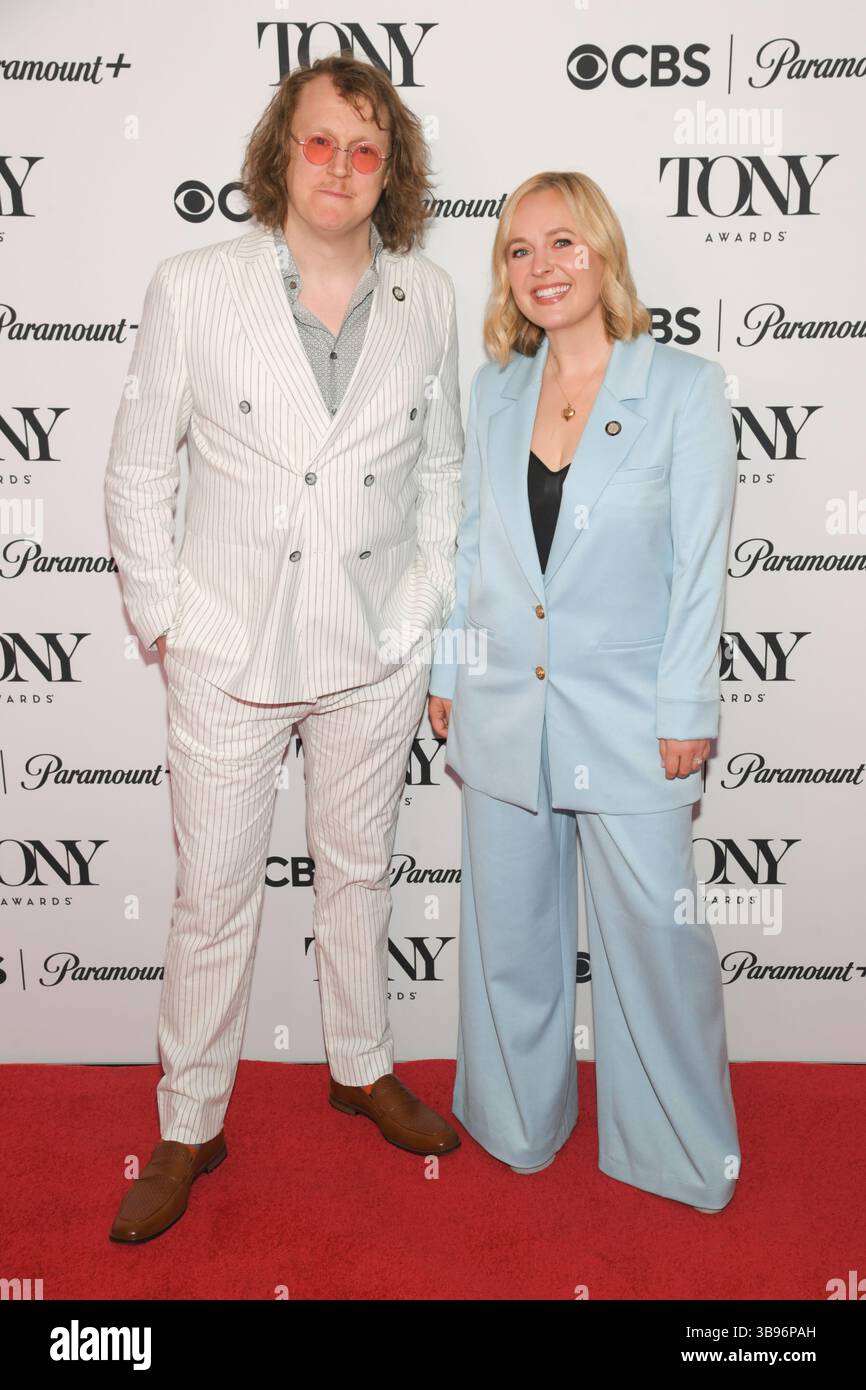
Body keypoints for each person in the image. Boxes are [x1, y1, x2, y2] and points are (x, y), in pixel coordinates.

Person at [104, 53, 463, 1244]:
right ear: (281, 152)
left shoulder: (430, 297)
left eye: (365, 151)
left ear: (389, 170)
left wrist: (422, 613)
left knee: (359, 871)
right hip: (229, 649)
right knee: (212, 897)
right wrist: (171, 622)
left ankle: (359, 1064)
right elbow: (140, 463)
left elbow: (444, 471)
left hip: (372, 645)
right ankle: (190, 1119)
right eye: (320, 143)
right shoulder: (193, 284)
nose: (341, 168)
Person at [427, 171, 741, 1213]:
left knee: (654, 942)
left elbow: (698, 564)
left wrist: (685, 707)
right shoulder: (494, 389)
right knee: (508, 932)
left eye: (562, 243)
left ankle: (676, 1151)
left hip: (629, 714)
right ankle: (517, 1124)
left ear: (602, 254)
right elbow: (474, 547)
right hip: (503, 700)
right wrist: (444, 669)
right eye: (518, 251)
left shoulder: (682, 388)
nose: (541, 268)